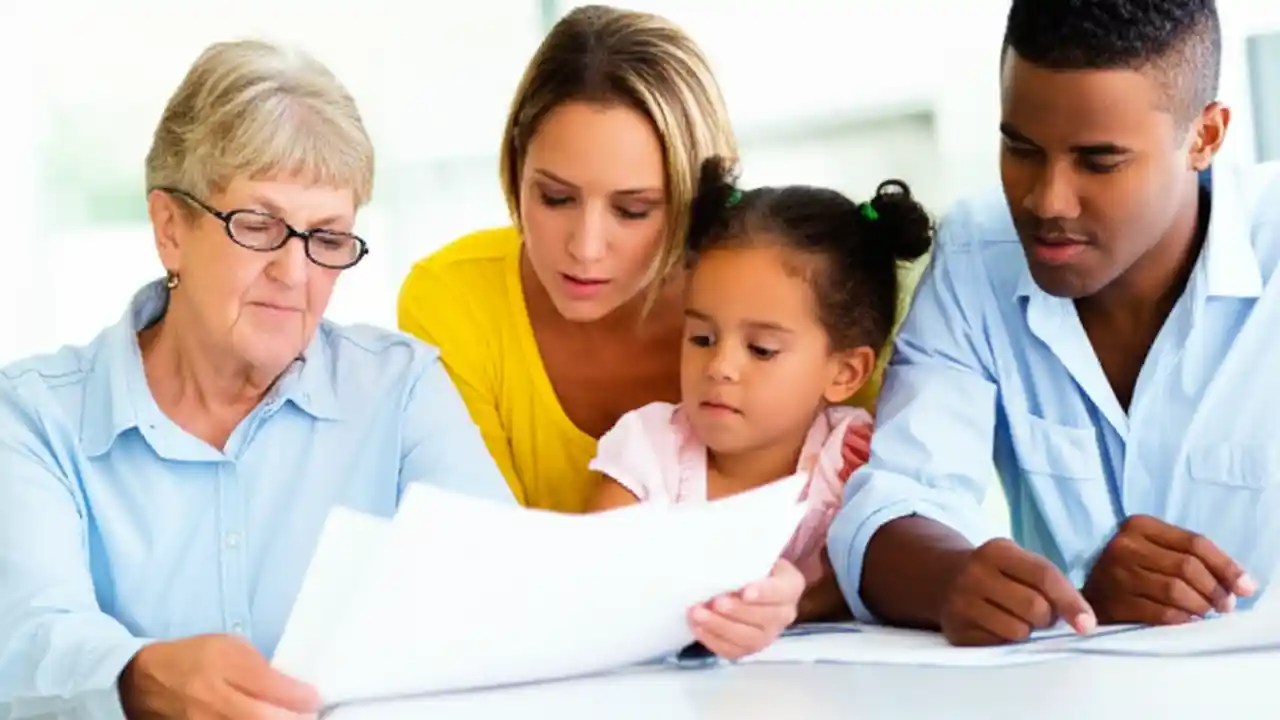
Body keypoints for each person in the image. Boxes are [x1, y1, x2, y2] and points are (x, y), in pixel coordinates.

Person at [0, 40, 512, 717]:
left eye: (327, 238)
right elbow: (27, 641)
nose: (294, 273)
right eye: (259, 226)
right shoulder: (35, 417)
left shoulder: (401, 390)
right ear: (170, 228)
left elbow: (502, 598)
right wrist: (141, 677)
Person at [830, 0, 1280, 647]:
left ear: (1204, 137)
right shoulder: (977, 255)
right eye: (1021, 148)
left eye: (1099, 161)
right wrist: (954, 578)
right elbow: (896, 502)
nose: (1047, 200)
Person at [398, 4, 896, 515]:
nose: (586, 247)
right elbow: (475, 539)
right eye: (555, 198)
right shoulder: (453, 299)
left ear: (693, 197)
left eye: (633, 210)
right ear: (515, 167)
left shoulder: (806, 295)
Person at [589, 158, 931, 658]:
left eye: (762, 349)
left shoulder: (852, 462)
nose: (720, 367)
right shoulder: (650, 448)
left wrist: (798, 602)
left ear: (845, 372)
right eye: (702, 338)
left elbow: (876, 583)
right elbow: (595, 573)